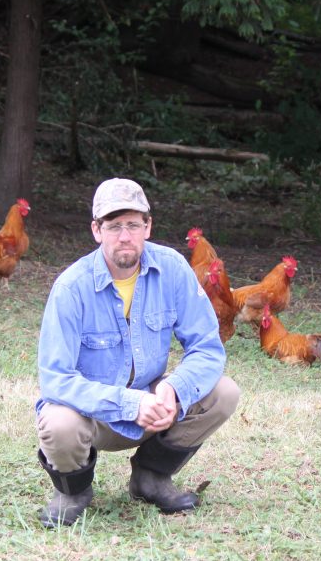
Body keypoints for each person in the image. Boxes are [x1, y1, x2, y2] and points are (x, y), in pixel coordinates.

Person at [34, 177, 240, 528]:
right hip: (92, 414)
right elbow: (55, 379)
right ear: (96, 231)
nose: (124, 236)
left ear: (148, 227)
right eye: (114, 226)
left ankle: (151, 477)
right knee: (59, 423)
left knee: (223, 393)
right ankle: (73, 491)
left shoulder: (172, 269)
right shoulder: (71, 288)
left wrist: (172, 388)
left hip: (155, 405)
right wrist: (131, 404)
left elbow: (207, 347)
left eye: (133, 224)